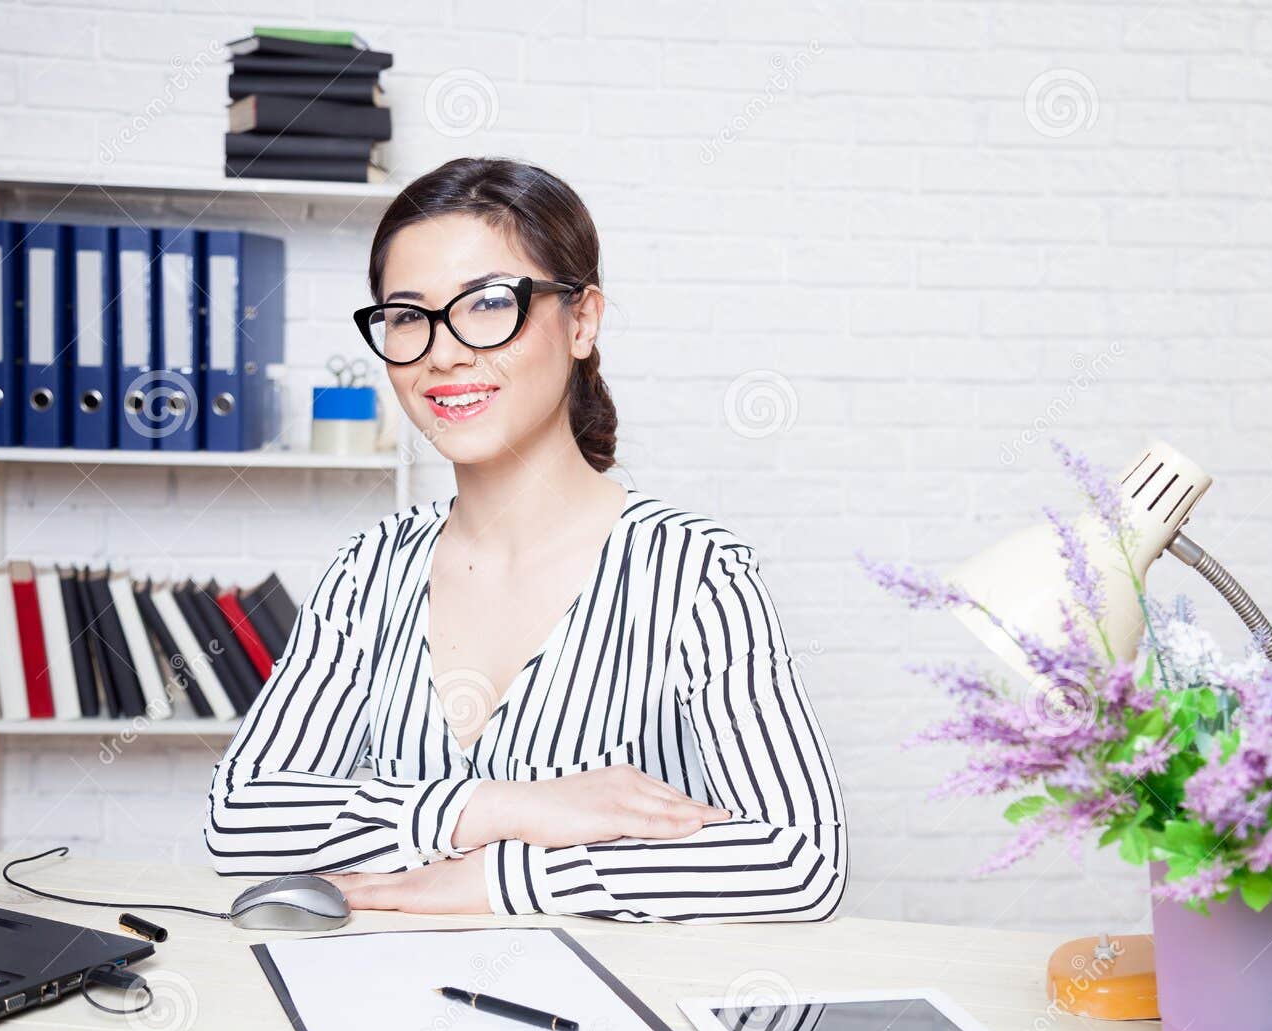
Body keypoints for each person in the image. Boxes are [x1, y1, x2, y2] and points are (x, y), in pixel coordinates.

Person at [204, 157, 846, 923]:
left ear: (582, 321)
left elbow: (801, 859)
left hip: (617, 998)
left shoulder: (695, 574)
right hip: (378, 988)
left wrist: (498, 880)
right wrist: (505, 806)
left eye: (487, 303)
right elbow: (239, 818)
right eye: (407, 316)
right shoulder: (366, 572)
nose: (442, 353)